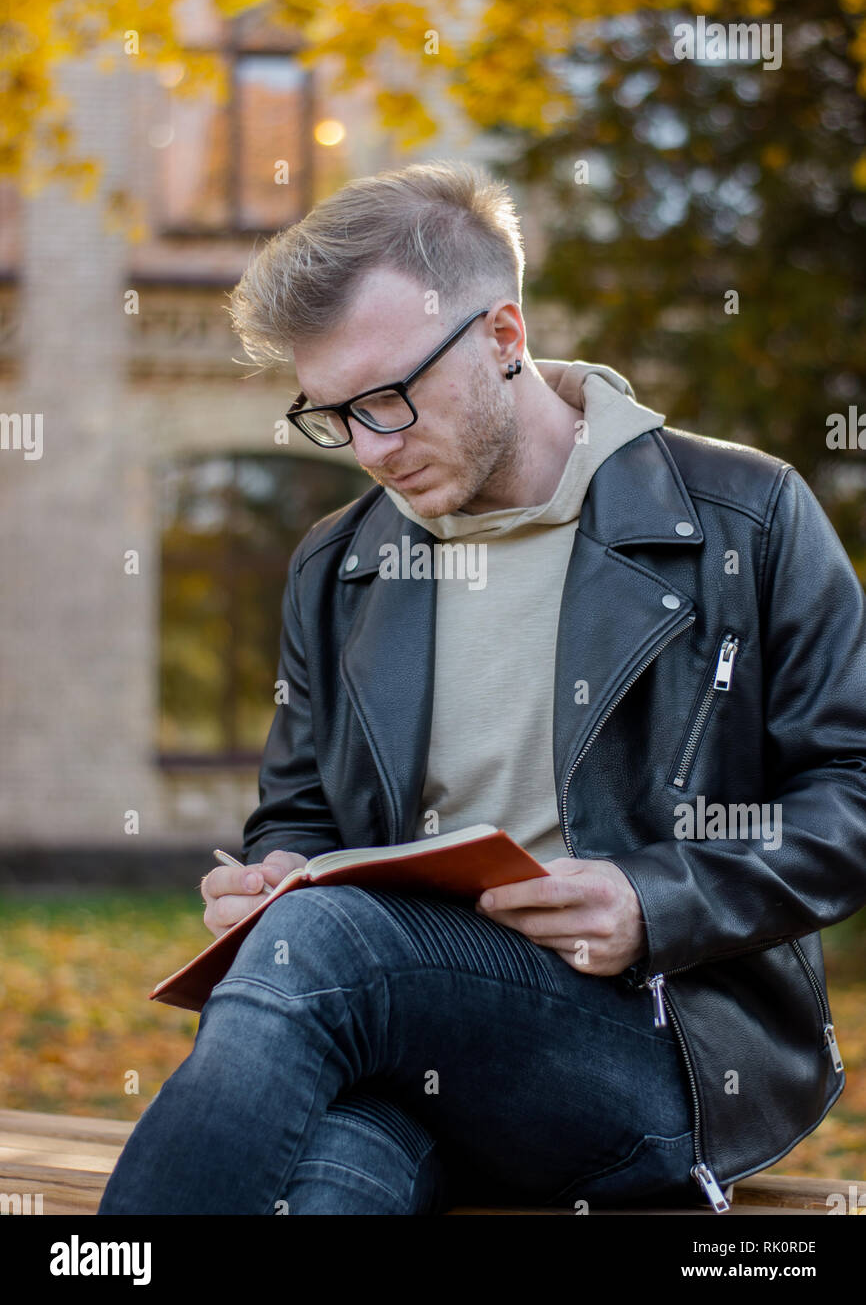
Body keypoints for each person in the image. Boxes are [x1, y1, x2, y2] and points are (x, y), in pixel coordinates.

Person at [99, 159, 866, 1215]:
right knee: (323, 1194)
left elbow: (850, 794)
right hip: (406, 1061)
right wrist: (274, 873)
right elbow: (301, 809)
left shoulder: (743, 515)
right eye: (332, 415)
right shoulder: (341, 563)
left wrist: (653, 899)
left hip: (652, 1051)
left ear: (503, 336)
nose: (369, 449)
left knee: (324, 942)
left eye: (388, 399)